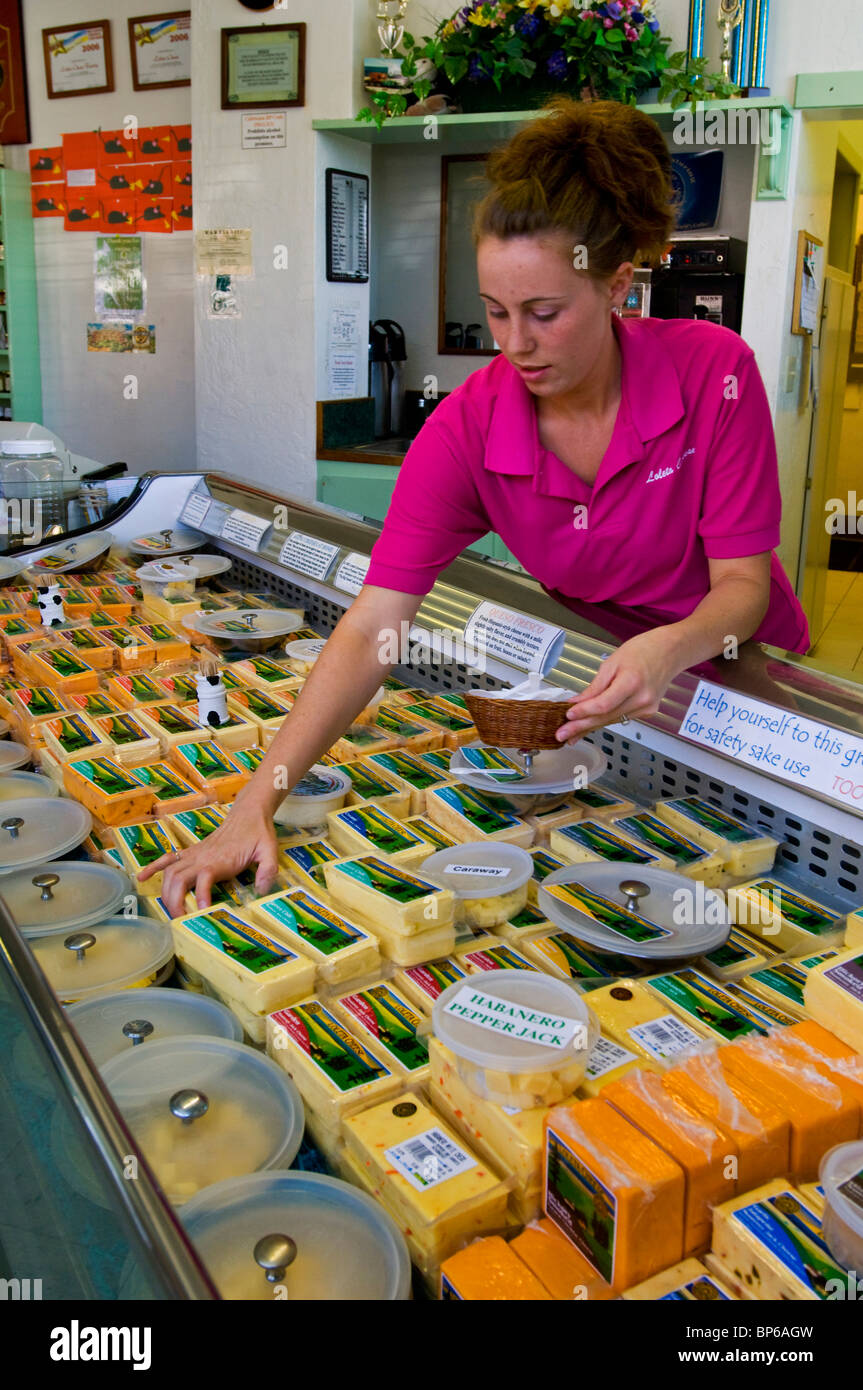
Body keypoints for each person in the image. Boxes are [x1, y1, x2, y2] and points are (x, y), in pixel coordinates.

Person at [142, 97, 809, 915]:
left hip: (746, 679)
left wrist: (671, 647)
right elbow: (370, 626)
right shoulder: (465, 429)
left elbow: (741, 584)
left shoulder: (715, 372)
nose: (514, 343)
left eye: (544, 313)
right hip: (606, 689)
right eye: (496, 311)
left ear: (617, 288)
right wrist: (253, 807)